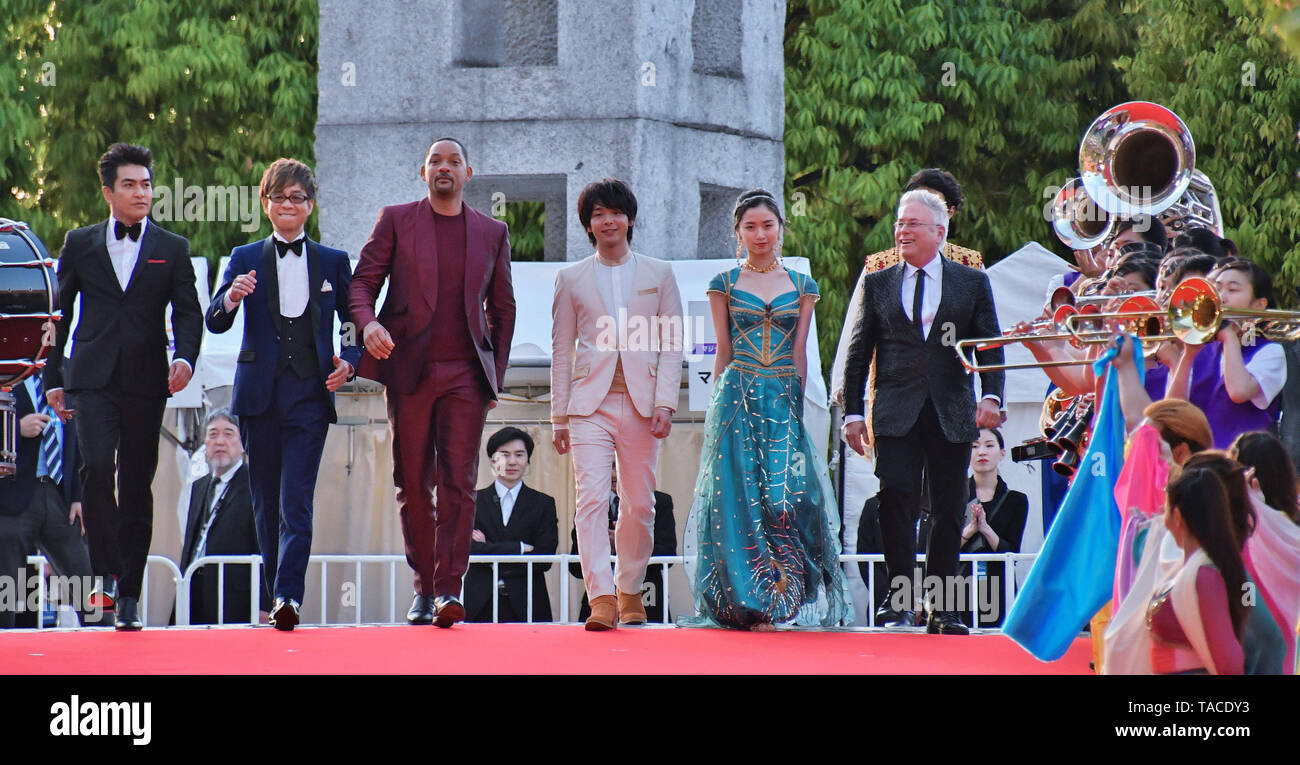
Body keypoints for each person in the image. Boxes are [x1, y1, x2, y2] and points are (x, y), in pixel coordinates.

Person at [351, 137, 516, 629]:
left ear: (470, 172)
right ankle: (423, 589)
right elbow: (362, 284)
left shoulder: (493, 231)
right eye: (435, 162)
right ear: (421, 172)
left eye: (454, 161)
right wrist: (369, 324)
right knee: (413, 483)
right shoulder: (396, 220)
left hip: (466, 374)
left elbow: (502, 309)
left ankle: (449, 590)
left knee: (460, 485)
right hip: (409, 371)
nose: (445, 168)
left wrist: (493, 378)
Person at [43, 143, 203, 631]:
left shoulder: (172, 248)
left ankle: (129, 594)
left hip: (146, 380)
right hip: (90, 378)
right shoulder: (80, 242)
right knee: (95, 465)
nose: (141, 192)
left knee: (137, 482)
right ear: (108, 192)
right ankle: (105, 576)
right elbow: (59, 314)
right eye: (130, 184)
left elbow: (189, 312)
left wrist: (184, 358)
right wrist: (54, 378)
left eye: (147, 184)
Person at [683, 188, 852, 631]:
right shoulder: (723, 283)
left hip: (781, 395)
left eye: (768, 225)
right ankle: (744, 602)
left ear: (781, 228)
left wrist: (795, 407)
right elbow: (722, 351)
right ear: (737, 233)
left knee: (786, 497)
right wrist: (714, 413)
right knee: (735, 497)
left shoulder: (802, 285)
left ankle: (783, 597)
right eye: (750, 227)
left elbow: (800, 356)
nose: (760, 234)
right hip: (736, 394)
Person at [205, 158, 361, 631]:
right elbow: (215, 319)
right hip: (257, 396)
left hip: (310, 395)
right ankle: (277, 596)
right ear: (265, 204)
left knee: (297, 499)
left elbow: (351, 321)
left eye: (296, 197)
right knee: (264, 502)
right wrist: (232, 295)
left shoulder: (334, 261)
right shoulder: (244, 257)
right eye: (279, 197)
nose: (287, 204)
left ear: (309, 206)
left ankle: (289, 594)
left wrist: (350, 360)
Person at [842, 189, 1003, 635]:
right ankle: (898, 604)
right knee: (896, 500)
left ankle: (944, 608)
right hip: (894, 412)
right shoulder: (878, 283)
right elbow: (859, 353)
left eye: (912, 223)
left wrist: (992, 397)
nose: (902, 230)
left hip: (952, 411)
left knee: (949, 509)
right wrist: (852, 413)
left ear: (939, 230)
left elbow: (988, 346)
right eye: (899, 223)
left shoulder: (971, 282)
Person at [550, 178, 684, 631]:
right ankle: (601, 597)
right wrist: (559, 414)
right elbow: (561, 348)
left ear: (629, 219)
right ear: (589, 225)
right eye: (598, 214)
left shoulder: (659, 272)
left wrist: (666, 401)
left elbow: (672, 342)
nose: (607, 221)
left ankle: (630, 588)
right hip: (590, 403)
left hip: (644, 405)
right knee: (589, 500)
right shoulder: (570, 278)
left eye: (615, 213)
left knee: (640, 504)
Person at [0, 373, 91, 628]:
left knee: (86, 584)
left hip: (58, 496)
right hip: (11, 499)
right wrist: (15, 429)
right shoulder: (7, 372)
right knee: (5, 592)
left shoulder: (66, 374)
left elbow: (81, 437)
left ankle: (107, 641)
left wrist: (78, 496)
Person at [1169, 259, 1285, 449]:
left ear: (1258, 305)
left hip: (1242, 462)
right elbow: (1172, 409)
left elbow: (1239, 391)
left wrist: (1229, 337)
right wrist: (1187, 356)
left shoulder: (1270, 351)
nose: (1221, 298)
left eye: (1232, 290)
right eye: (1217, 289)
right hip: (1196, 461)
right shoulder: (1202, 350)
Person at [1148, 468, 1248, 674]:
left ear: (1177, 516)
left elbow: (1229, 659)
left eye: (1164, 511)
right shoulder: (1195, 570)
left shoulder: (1206, 576)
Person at [176, 410, 270, 626]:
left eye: (228, 434)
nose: (220, 441)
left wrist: (264, 604)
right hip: (195, 591)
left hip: (235, 598)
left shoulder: (257, 486)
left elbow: (266, 546)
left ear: (243, 442)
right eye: (213, 434)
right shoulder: (199, 487)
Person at [465, 427, 558, 623]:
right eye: (504, 454)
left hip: (529, 601)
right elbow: (469, 550)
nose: (512, 461)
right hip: (480, 601)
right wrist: (521, 548)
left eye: (519, 454)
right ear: (492, 460)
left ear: (528, 460)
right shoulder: (472, 502)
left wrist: (489, 552)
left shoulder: (543, 504)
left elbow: (544, 558)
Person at [569, 469, 677, 623]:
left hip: (647, 598)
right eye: (609, 465)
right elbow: (575, 567)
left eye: (617, 464)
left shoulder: (657, 501)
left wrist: (626, 545)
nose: (613, 473)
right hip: (597, 605)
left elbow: (667, 554)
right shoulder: (588, 505)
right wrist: (601, 547)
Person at [960, 427, 1027, 627]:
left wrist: (986, 529)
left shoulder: (1016, 500)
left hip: (999, 587)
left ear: (1002, 453)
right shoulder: (954, 496)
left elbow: (1012, 552)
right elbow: (941, 547)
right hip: (959, 586)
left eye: (989, 446)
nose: (982, 452)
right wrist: (970, 530)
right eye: (974, 446)